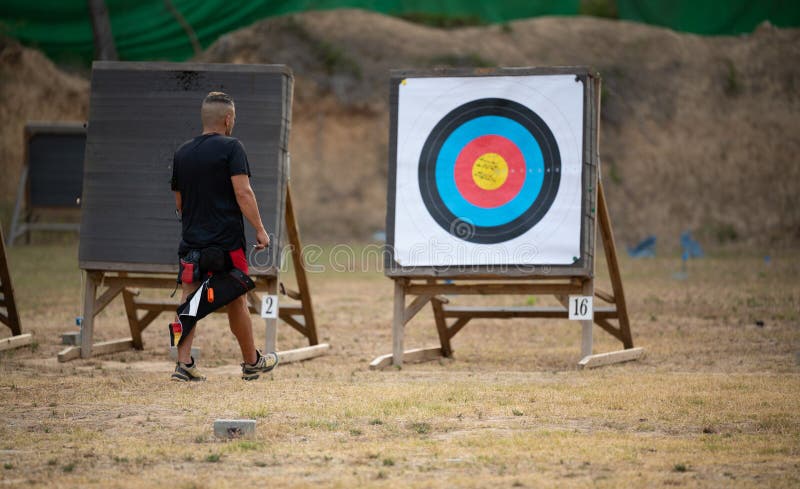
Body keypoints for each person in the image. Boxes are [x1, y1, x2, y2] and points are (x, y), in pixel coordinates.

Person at [170, 91, 278, 382]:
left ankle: (182, 364)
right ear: (228, 119)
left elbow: (179, 202)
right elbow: (243, 192)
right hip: (227, 244)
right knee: (237, 300)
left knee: (188, 301)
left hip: (191, 242)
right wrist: (259, 229)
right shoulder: (232, 148)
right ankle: (251, 362)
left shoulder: (182, 153)